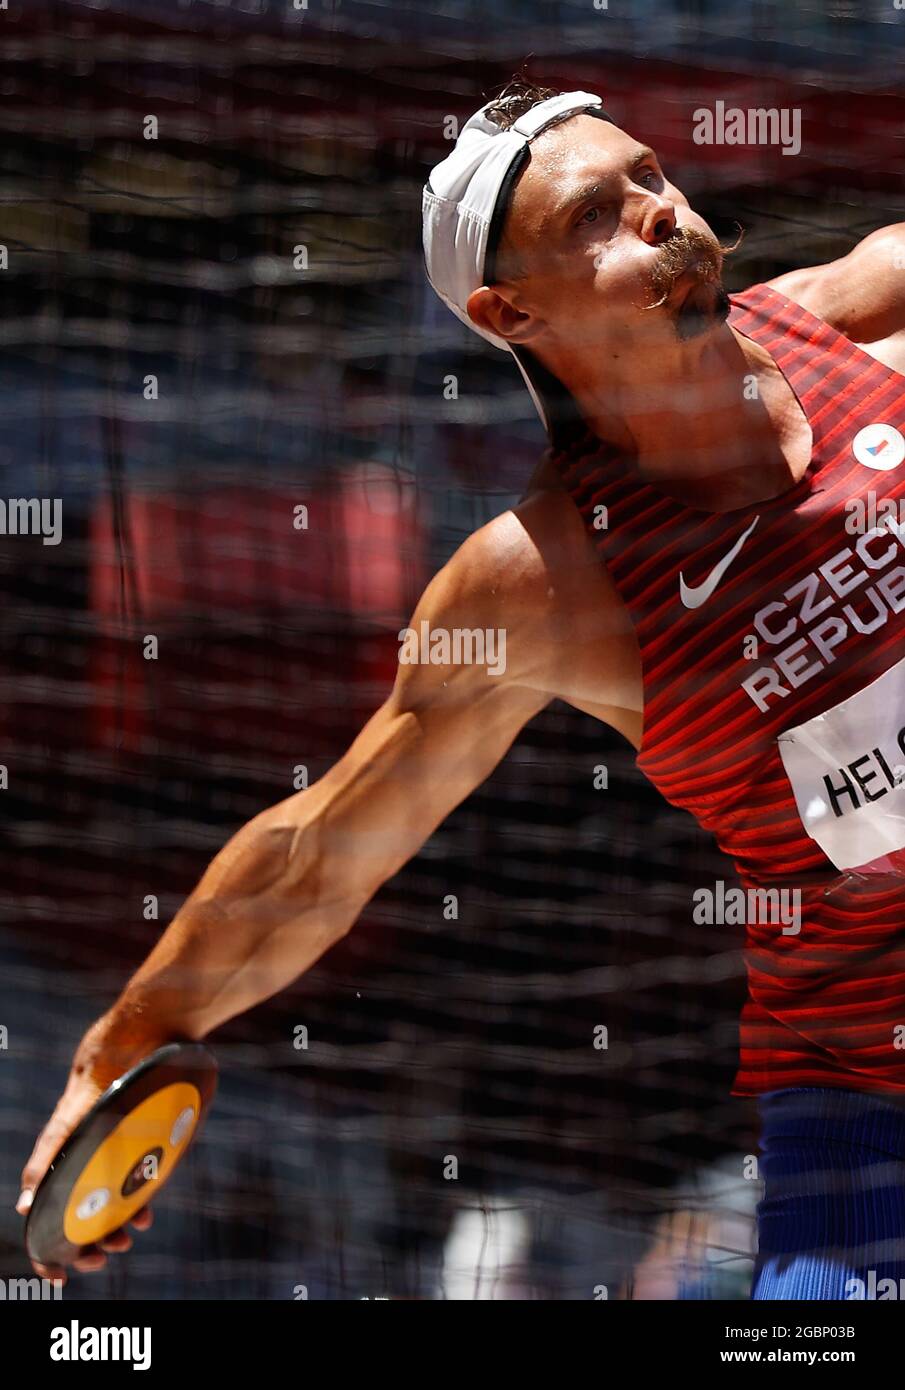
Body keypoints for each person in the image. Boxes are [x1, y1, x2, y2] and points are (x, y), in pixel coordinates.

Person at [19, 77, 905, 1298]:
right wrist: (123, 1042)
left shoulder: (871, 313)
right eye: (598, 209)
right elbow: (323, 849)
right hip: (862, 1086)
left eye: (650, 174)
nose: (653, 206)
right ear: (506, 309)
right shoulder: (534, 582)